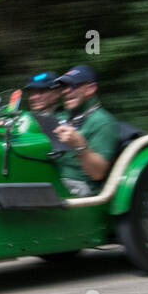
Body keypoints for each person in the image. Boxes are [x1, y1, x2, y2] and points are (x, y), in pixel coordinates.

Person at [51, 65, 118, 197]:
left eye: (73, 85)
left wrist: (79, 145)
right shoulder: (62, 116)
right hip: (53, 177)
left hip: (78, 187)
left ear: (90, 89)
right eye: (64, 87)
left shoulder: (102, 121)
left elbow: (98, 173)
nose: (65, 91)